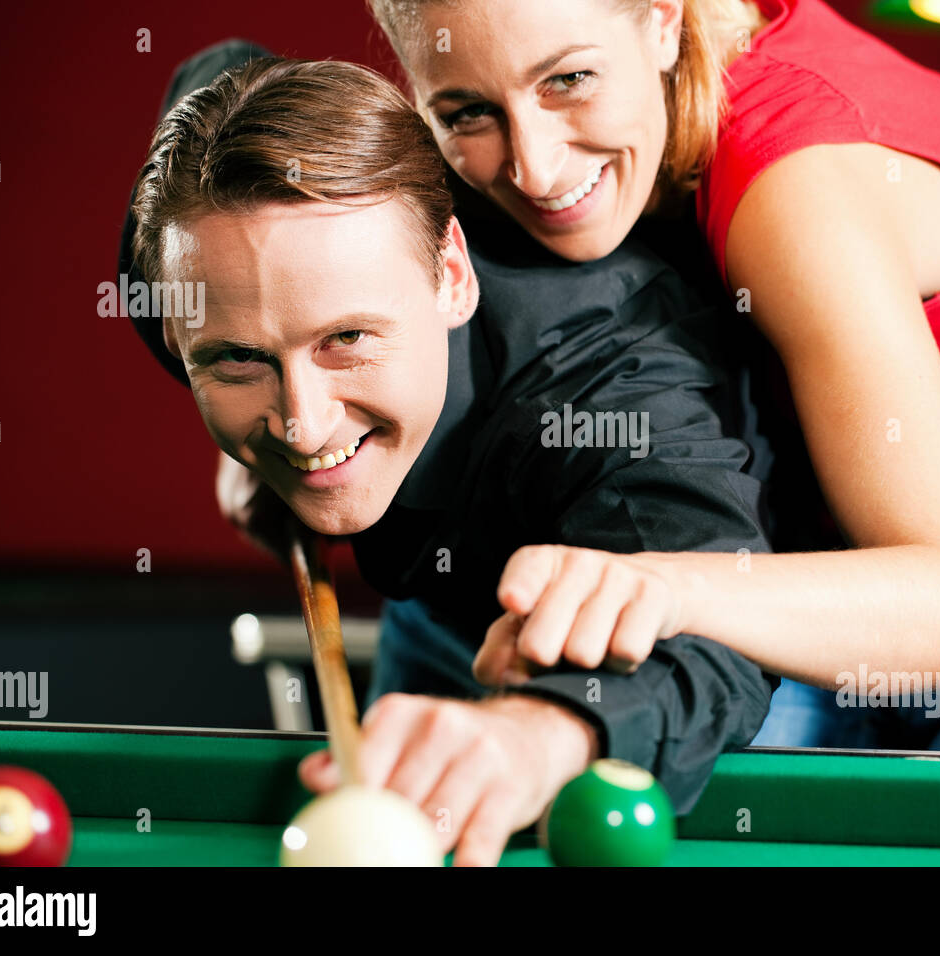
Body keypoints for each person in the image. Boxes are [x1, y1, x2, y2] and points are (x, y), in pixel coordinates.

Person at [364, 0, 940, 758]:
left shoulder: (794, 184)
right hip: (871, 601)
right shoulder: (704, 51)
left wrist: (667, 583)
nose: (536, 168)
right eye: (468, 113)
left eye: (568, 82)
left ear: (664, 20)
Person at [121, 51, 780, 865]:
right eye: (238, 358)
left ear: (452, 277)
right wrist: (251, 440)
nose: (300, 424)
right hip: (433, 605)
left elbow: (725, 620)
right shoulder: (176, 253)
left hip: (652, 664)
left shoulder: (602, 391)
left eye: (348, 338)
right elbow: (219, 70)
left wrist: (546, 732)